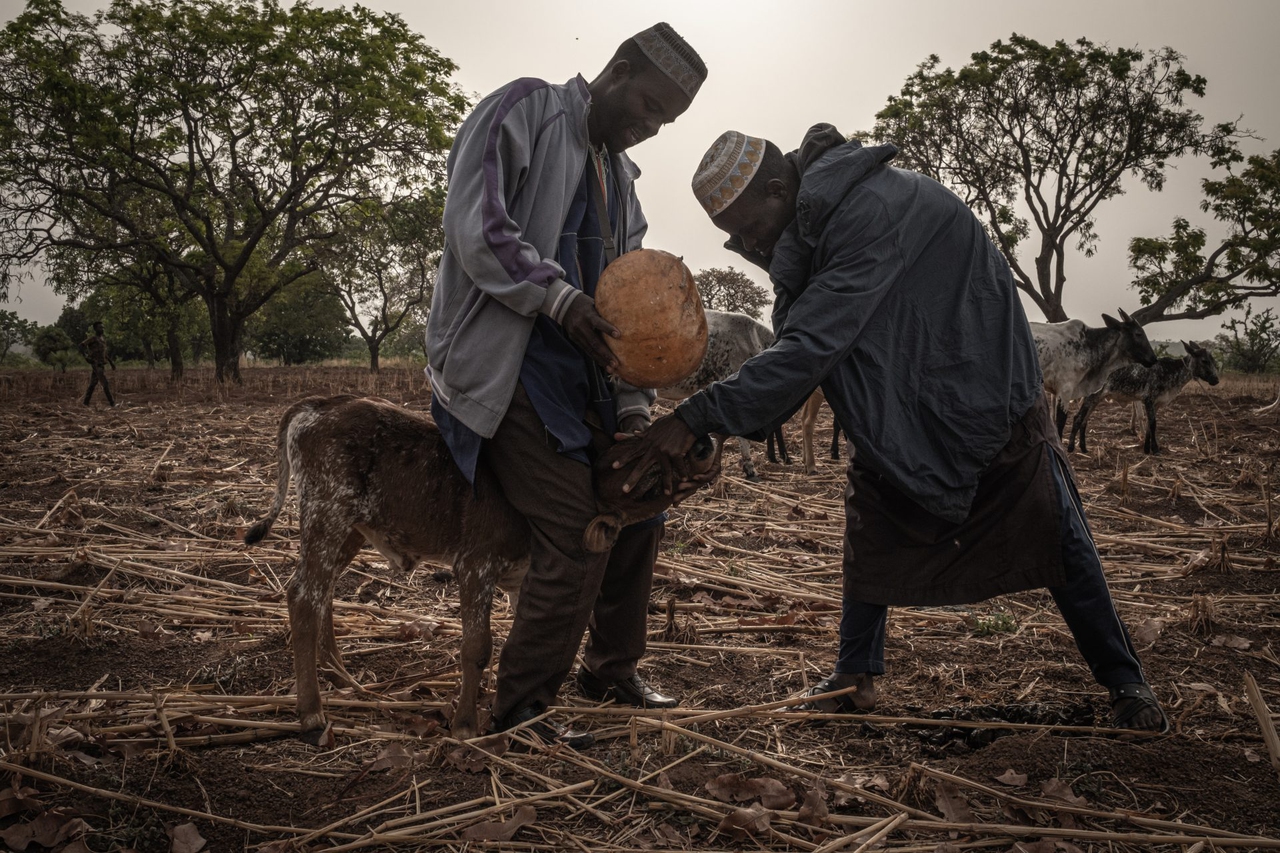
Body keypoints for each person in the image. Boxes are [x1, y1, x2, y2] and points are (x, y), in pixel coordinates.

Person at [613, 125, 1169, 733]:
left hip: (980, 397)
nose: (746, 243)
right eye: (734, 236)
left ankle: (1126, 683)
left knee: (1054, 529)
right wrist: (723, 420)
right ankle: (854, 676)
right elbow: (804, 342)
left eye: (747, 228)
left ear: (779, 188)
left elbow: (810, 345)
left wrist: (696, 415)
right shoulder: (808, 231)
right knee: (872, 524)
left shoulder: (869, 213)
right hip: (903, 404)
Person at [425, 24, 708, 748]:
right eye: (646, 106)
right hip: (506, 368)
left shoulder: (623, 183)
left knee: (642, 506)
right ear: (616, 69)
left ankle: (611, 671)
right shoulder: (522, 109)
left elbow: (629, 313)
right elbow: (476, 225)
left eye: (663, 123)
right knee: (583, 531)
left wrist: (638, 411)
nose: (647, 129)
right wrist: (558, 300)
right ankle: (522, 711)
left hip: (583, 384)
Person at [79, 321, 116, 407]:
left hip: (101, 364)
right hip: (96, 363)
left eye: (103, 327)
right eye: (100, 327)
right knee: (105, 383)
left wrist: (111, 362)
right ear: (95, 329)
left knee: (93, 384)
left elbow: (104, 353)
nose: (102, 329)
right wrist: (86, 357)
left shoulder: (102, 340)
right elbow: (81, 345)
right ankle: (112, 403)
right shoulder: (93, 338)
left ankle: (85, 403)